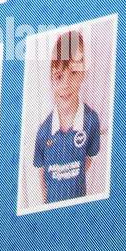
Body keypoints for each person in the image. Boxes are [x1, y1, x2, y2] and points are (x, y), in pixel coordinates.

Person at [33, 30, 101, 204]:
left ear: (83, 73)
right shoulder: (43, 132)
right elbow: (43, 179)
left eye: (73, 73)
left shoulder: (91, 120)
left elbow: (88, 160)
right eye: (59, 76)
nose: (65, 85)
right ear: (51, 78)